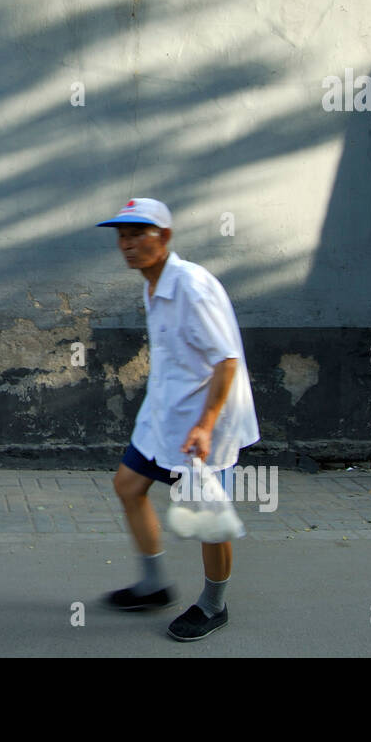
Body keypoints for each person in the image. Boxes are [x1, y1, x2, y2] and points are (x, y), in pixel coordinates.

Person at [96, 197, 259, 641]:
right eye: (122, 236)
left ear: (164, 237)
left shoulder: (191, 286)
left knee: (208, 518)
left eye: (137, 234)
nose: (127, 244)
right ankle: (153, 586)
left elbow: (226, 361)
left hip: (205, 422)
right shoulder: (152, 284)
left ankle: (213, 605)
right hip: (164, 414)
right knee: (128, 485)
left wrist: (206, 424)